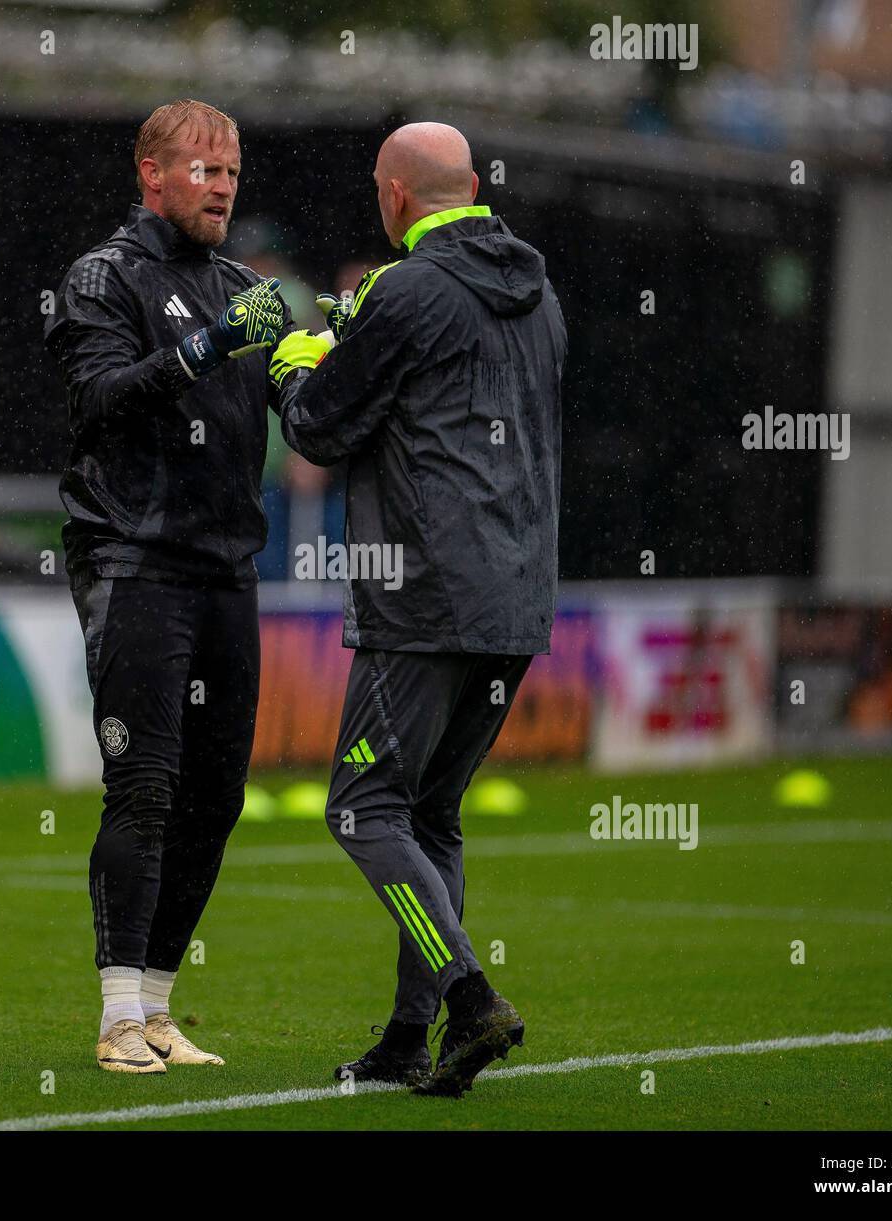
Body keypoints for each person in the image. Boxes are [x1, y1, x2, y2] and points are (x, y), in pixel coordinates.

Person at [267, 122, 567, 1097]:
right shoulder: (540, 295)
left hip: (424, 590)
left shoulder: (405, 289)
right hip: (516, 594)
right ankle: (408, 1037)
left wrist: (299, 362)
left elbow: (317, 425)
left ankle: (471, 997)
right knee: (431, 816)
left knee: (360, 810)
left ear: (394, 197)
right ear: (474, 186)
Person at [43, 99, 293, 1075]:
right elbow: (98, 399)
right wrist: (208, 346)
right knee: (142, 785)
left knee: (214, 797)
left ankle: (154, 1005)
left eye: (232, 170)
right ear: (151, 173)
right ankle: (113, 1020)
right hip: (134, 562)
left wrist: (338, 353)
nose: (223, 184)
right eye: (203, 168)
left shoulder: (244, 286)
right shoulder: (102, 277)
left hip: (228, 570)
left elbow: (307, 418)